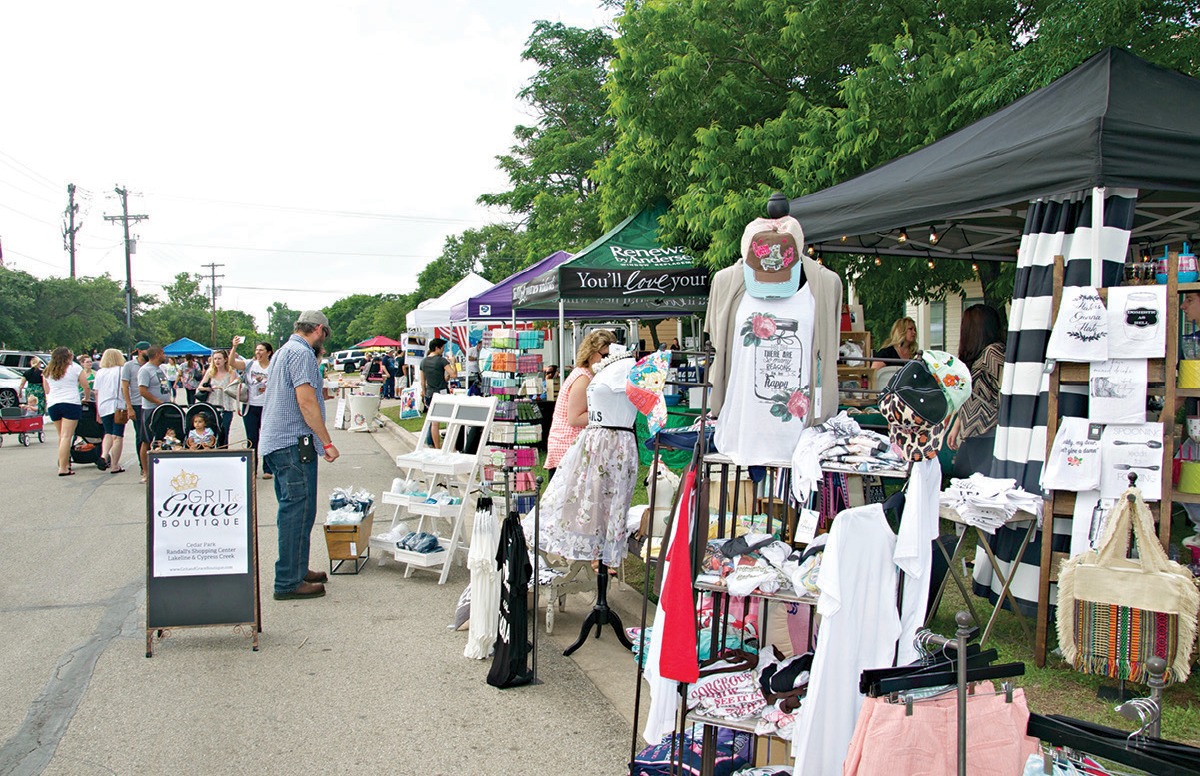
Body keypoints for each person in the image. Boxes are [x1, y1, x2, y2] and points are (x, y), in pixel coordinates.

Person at [260, 310, 339, 600]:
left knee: (297, 510)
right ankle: (288, 580)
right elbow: (305, 402)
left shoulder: (285, 350)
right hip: (293, 443)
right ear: (319, 329)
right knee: (297, 511)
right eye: (324, 336)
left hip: (278, 441)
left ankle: (296, 568)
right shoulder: (302, 353)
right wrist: (326, 442)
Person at [544, 329, 616, 480]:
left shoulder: (588, 374)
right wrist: (607, 415)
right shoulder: (583, 378)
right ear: (591, 354)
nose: (608, 359)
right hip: (567, 447)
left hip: (574, 445)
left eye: (611, 356)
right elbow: (575, 418)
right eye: (604, 355)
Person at [946, 304, 1006, 477]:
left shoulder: (993, 353)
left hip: (987, 431)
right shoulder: (979, 355)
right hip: (973, 430)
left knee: (971, 480)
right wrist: (957, 425)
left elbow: (1005, 390)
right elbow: (971, 394)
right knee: (960, 476)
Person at [230, 337, 274, 479]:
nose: (258, 353)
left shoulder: (274, 365)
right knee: (252, 438)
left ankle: (268, 469)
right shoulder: (250, 364)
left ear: (268, 352)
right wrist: (234, 347)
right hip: (250, 406)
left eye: (261, 350)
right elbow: (232, 363)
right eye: (256, 350)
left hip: (268, 406)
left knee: (267, 437)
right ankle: (252, 468)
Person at [43, 346, 91, 476]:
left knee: (61, 435)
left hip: (54, 403)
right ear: (67, 356)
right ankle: (63, 467)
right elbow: (85, 385)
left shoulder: (48, 370)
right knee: (67, 436)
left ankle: (63, 461)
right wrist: (86, 398)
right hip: (70, 402)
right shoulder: (74, 368)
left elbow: (46, 390)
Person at [137, 346, 173, 483]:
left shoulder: (159, 369)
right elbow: (142, 391)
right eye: (163, 353)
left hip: (164, 408)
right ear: (157, 354)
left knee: (165, 437)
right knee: (147, 440)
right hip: (151, 409)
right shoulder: (145, 370)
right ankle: (146, 472)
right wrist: (158, 402)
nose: (165, 356)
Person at [93, 348, 128, 474]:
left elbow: (96, 392)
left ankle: (104, 454)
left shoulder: (100, 372)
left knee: (108, 433)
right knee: (117, 435)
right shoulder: (121, 370)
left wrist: (98, 411)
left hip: (103, 406)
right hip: (118, 405)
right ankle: (114, 465)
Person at [196, 349, 239, 447]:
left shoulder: (231, 372)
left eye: (219, 358)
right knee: (211, 432)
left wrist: (223, 388)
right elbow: (200, 386)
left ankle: (224, 451)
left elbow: (232, 388)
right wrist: (208, 388)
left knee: (224, 431)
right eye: (215, 359)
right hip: (212, 406)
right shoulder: (210, 372)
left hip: (226, 406)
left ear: (225, 360)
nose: (217, 361)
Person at [419, 338, 455, 446]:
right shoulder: (441, 360)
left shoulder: (423, 362)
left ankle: (436, 447)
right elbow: (453, 374)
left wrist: (425, 394)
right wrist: (453, 363)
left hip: (430, 393)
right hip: (442, 392)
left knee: (434, 423)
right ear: (437, 348)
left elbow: (422, 381)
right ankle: (450, 446)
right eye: (442, 348)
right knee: (449, 420)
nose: (443, 350)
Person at [121, 341, 150, 478]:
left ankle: (150, 462)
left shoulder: (153, 365)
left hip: (150, 404)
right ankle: (142, 465)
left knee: (150, 435)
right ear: (139, 351)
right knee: (140, 435)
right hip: (137, 404)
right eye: (147, 351)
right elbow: (125, 387)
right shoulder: (129, 366)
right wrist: (129, 406)